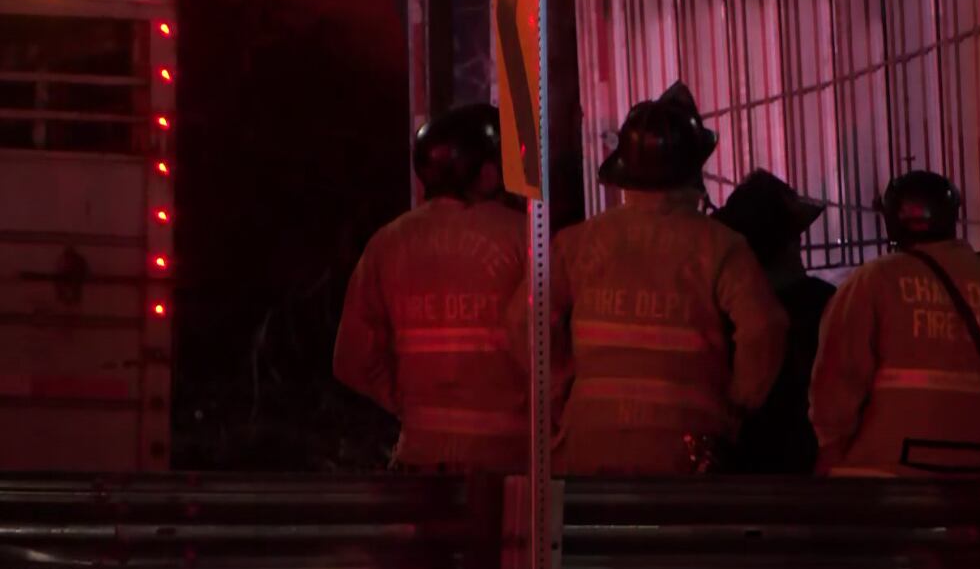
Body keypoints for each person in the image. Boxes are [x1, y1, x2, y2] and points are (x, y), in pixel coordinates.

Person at [516, 82, 788, 476]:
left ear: (622, 172)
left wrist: (559, 393)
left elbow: (522, 321)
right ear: (692, 170)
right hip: (686, 451)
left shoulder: (575, 244)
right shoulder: (721, 246)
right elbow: (765, 327)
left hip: (587, 445)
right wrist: (738, 404)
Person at [809, 171, 980, 477]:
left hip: (882, 476)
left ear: (891, 220)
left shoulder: (872, 283)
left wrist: (832, 450)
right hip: (978, 477)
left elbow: (837, 378)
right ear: (952, 215)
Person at [332, 103, 529, 472]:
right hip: (509, 460)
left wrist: (410, 403)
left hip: (420, 455)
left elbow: (351, 361)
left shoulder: (386, 244)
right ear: (486, 171)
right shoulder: (525, 237)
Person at [713, 170, 834, 474]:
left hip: (734, 467)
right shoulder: (824, 305)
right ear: (789, 244)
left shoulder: (719, 310)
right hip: (810, 467)